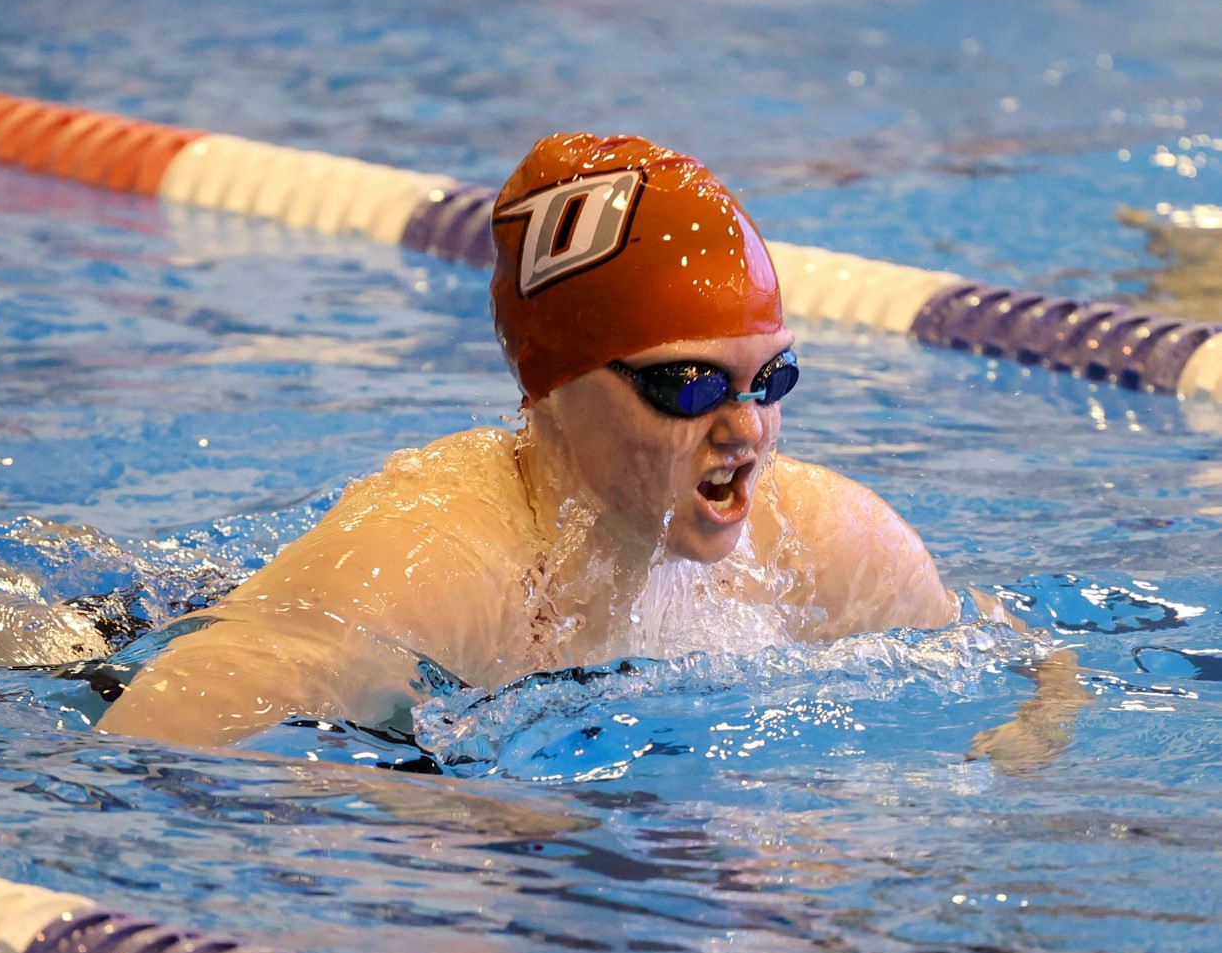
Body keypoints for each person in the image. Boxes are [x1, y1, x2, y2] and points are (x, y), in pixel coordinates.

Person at [89, 132, 962, 746]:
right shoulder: (432, 565)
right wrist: (442, 818)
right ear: (550, 385)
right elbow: (146, 745)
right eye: (687, 384)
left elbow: (1020, 667)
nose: (746, 429)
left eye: (771, 378)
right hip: (90, 658)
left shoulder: (822, 542)